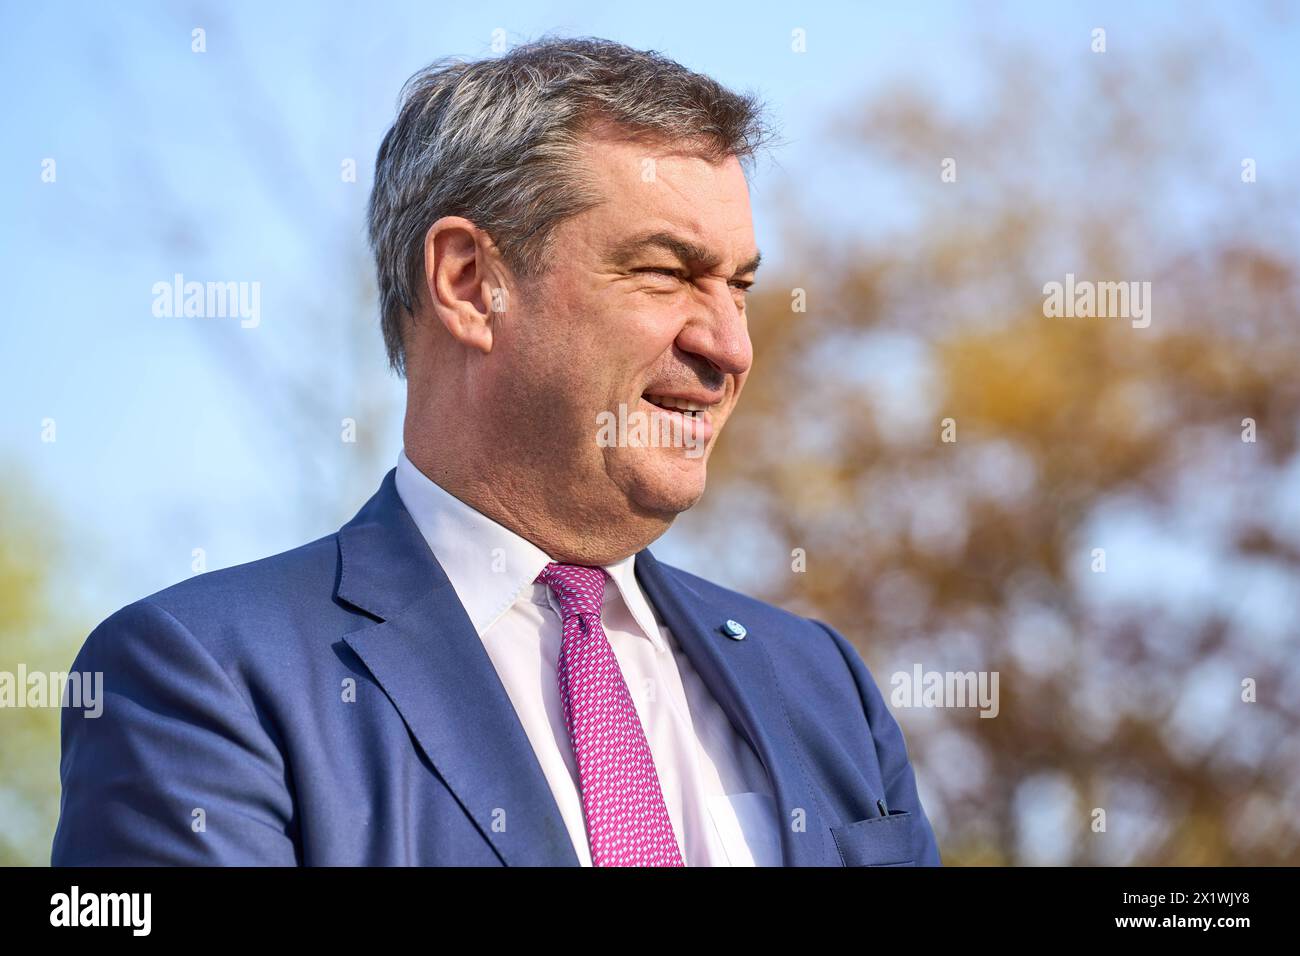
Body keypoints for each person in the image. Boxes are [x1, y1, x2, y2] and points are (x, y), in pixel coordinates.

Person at [52, 36, 940, 867]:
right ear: (471, 284)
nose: (729, 347)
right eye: (666, 273)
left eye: (739, 288)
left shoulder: (823, 684)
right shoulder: (203, 680)